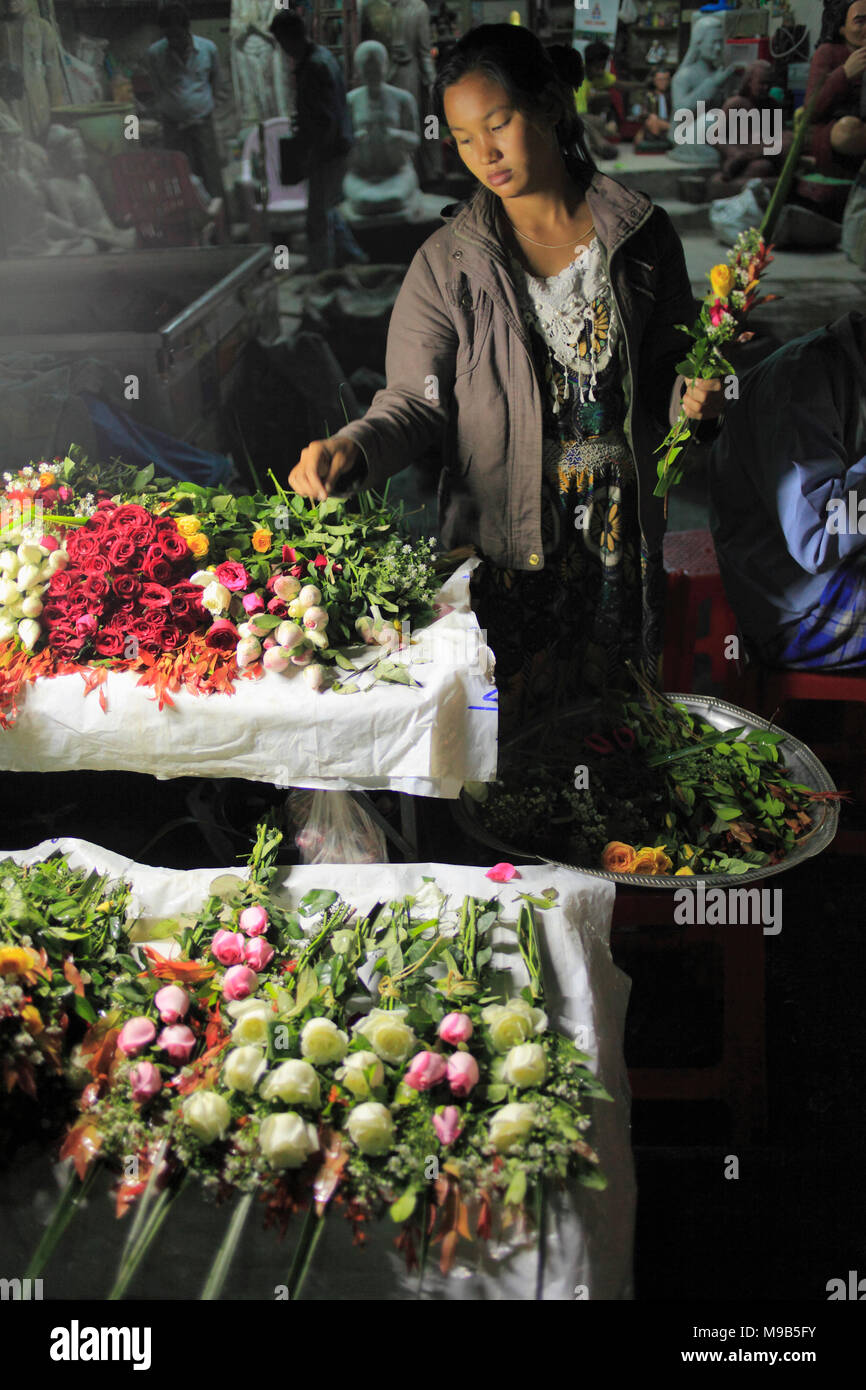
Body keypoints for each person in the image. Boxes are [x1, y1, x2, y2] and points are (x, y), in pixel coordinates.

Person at [287, 24, 723, 725]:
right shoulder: (447, 262)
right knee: (511, 748)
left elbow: (670, 372)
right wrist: (359, 446)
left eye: (499, 124)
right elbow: (413, 402)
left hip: (617, 548)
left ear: (548, 106)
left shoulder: (642, 235)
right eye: (463, 138)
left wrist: (696, 403)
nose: (483, 153)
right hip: (504, 550)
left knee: (617, 738)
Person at [709, 311, 866, 672]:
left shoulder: (846, 368)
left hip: (834, 580)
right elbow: (817, 539)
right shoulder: (799, 383)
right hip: (798, 615)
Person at [270, 8, 368, 272]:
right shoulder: (320, 59)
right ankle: (354, 258)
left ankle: (322, 272)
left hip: (328, 150)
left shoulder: (315, 66)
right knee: (328, 209)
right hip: (333, 147)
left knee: (318, 217)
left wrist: (314, 155)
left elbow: (327, 120)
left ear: (289, 39)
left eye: (281, 43)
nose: (283, 49)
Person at [146, 3, 226, 201]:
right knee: (178, 173)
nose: (173, 41)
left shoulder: (208, 49)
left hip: (202, 121)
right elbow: (156, 86)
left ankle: (220, 224)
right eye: (168, 36)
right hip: (172, 123)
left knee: (210, 173)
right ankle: (190, 225)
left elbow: (216, 82)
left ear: (186, 29)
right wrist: (170, 108)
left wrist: (204, 105)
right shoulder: (155, 53)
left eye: (177, 35)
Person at [706, 60, 793, 200]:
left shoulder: (772, 106)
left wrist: (766, 147)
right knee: (761, 167)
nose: (766, 87)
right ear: (749, 82)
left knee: (784, 144)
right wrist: (733, 152)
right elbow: (714, 136)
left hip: (763, 154)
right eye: (761, 83)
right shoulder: (736, 104)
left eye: (769, 84)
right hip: (739, 159)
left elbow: (778, 138)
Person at [806, 0, 866, 178]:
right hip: (837, 130)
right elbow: (812, 109)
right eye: (860, 21)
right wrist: (844, 73)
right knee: (847, 131)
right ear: (842, 28)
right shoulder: (828, 52)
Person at [633, 68, 673, 152]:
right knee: (653, 119)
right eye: (660, 79)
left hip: (669, 124)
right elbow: (641, 112)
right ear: (654, 81)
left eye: (665, 79)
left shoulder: (672, 96)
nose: (663, 82)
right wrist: (650, 116)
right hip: (653, 123)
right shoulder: (648, 95)